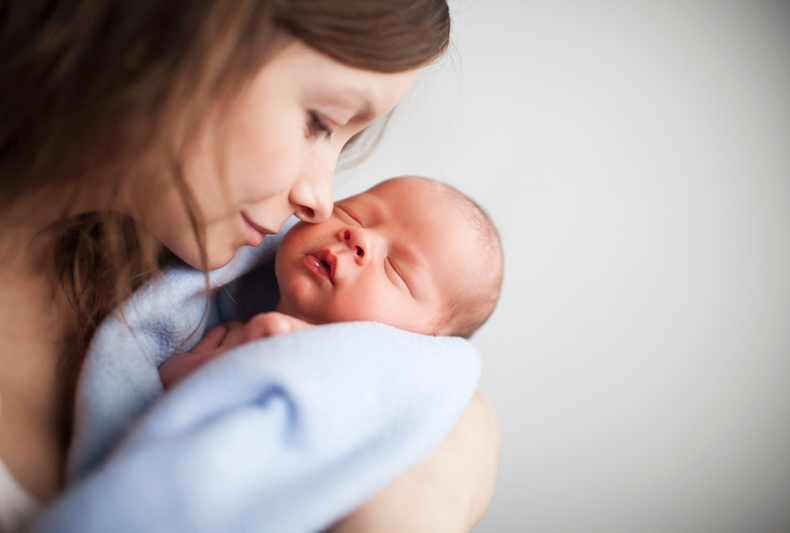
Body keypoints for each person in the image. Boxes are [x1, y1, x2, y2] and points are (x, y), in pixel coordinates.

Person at [0, 2, 498, 532]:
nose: (321, 202)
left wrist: (433, 491)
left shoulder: (156, 269)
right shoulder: (190, 305)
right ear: (165, 34)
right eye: (319, 122)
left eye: (341, 141)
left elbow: (444, 389)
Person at [159, 176, 503, 389]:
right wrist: (235, 359)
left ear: (419, 343)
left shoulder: (367, 387)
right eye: (355, 214)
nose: (359, 236)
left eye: (396, 269)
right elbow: (166, 378)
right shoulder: (235, 333)